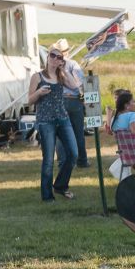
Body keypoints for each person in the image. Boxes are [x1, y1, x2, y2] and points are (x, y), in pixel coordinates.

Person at [28, 46, 78, 202]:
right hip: (45, 121)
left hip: (63, 119)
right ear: (47, 57)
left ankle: (60, 185)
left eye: (59, 57)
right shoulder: (37, 77)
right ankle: (47, 196)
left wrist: (64, 70)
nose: (55, 58)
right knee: (48, 160)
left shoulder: (61, 75)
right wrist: (39, 93)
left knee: (73, 154)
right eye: (53, 55)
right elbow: (29, 101)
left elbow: (75, 86)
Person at [51, 38, 89, 168]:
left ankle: (62, 162)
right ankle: (82, 160)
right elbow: (80, 83)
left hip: (58, 101)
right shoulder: (73, 64)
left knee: (60, 134)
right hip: (73, 100)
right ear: (67, 51)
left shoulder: (51, 67)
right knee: (78, 132)